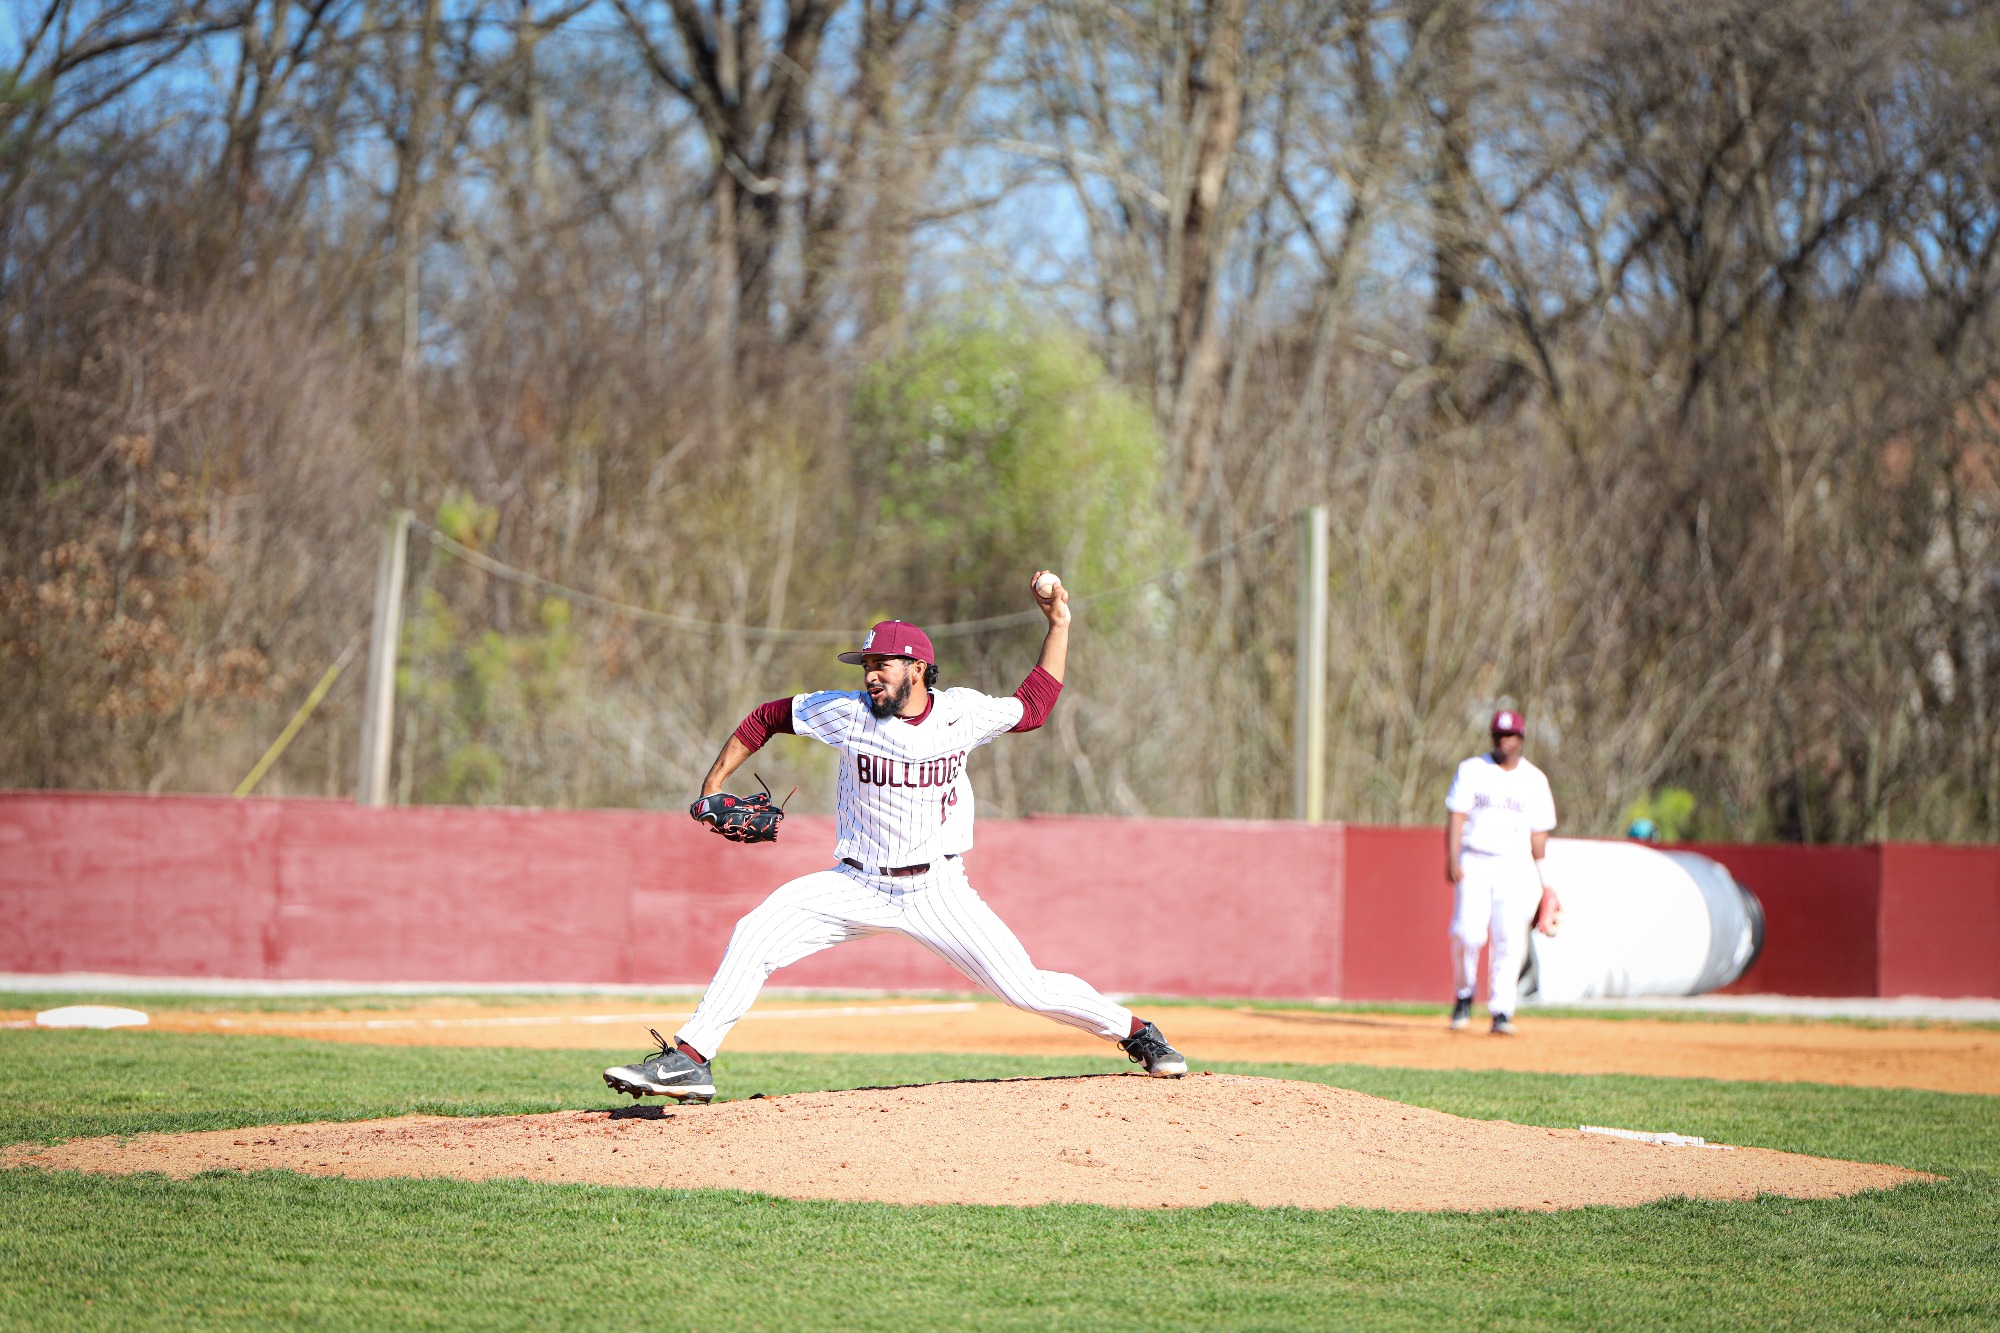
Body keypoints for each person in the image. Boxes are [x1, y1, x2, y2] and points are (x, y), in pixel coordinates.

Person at [604, 572, 1187, 1102]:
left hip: (937, 891)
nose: (870, 674)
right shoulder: (847, 712)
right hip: (855, 884)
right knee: (755, 931)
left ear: (918, 668)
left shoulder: (961, 714)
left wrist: (1058, 622)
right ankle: (689, 1060)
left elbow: (1033, 706)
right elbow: (766, 718)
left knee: (1025, 988)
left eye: (881, 663)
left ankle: (1138, 1034)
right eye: (865, 665)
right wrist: (712, 785)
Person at [1444, 709, 1559, 1036]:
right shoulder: (1472, 770)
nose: (1503, 740)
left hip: (1514, 864)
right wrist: (1452, 858)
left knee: (1509, 939)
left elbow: (1538, 837)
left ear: (1520, 739)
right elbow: (1456, 815)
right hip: (1474, 860)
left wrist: (1545, 883)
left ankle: (1501, 1010)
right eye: (1498, 734)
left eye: (1509, 735)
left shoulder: (1534, 780)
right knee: (1467, 933)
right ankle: (1464, 995)